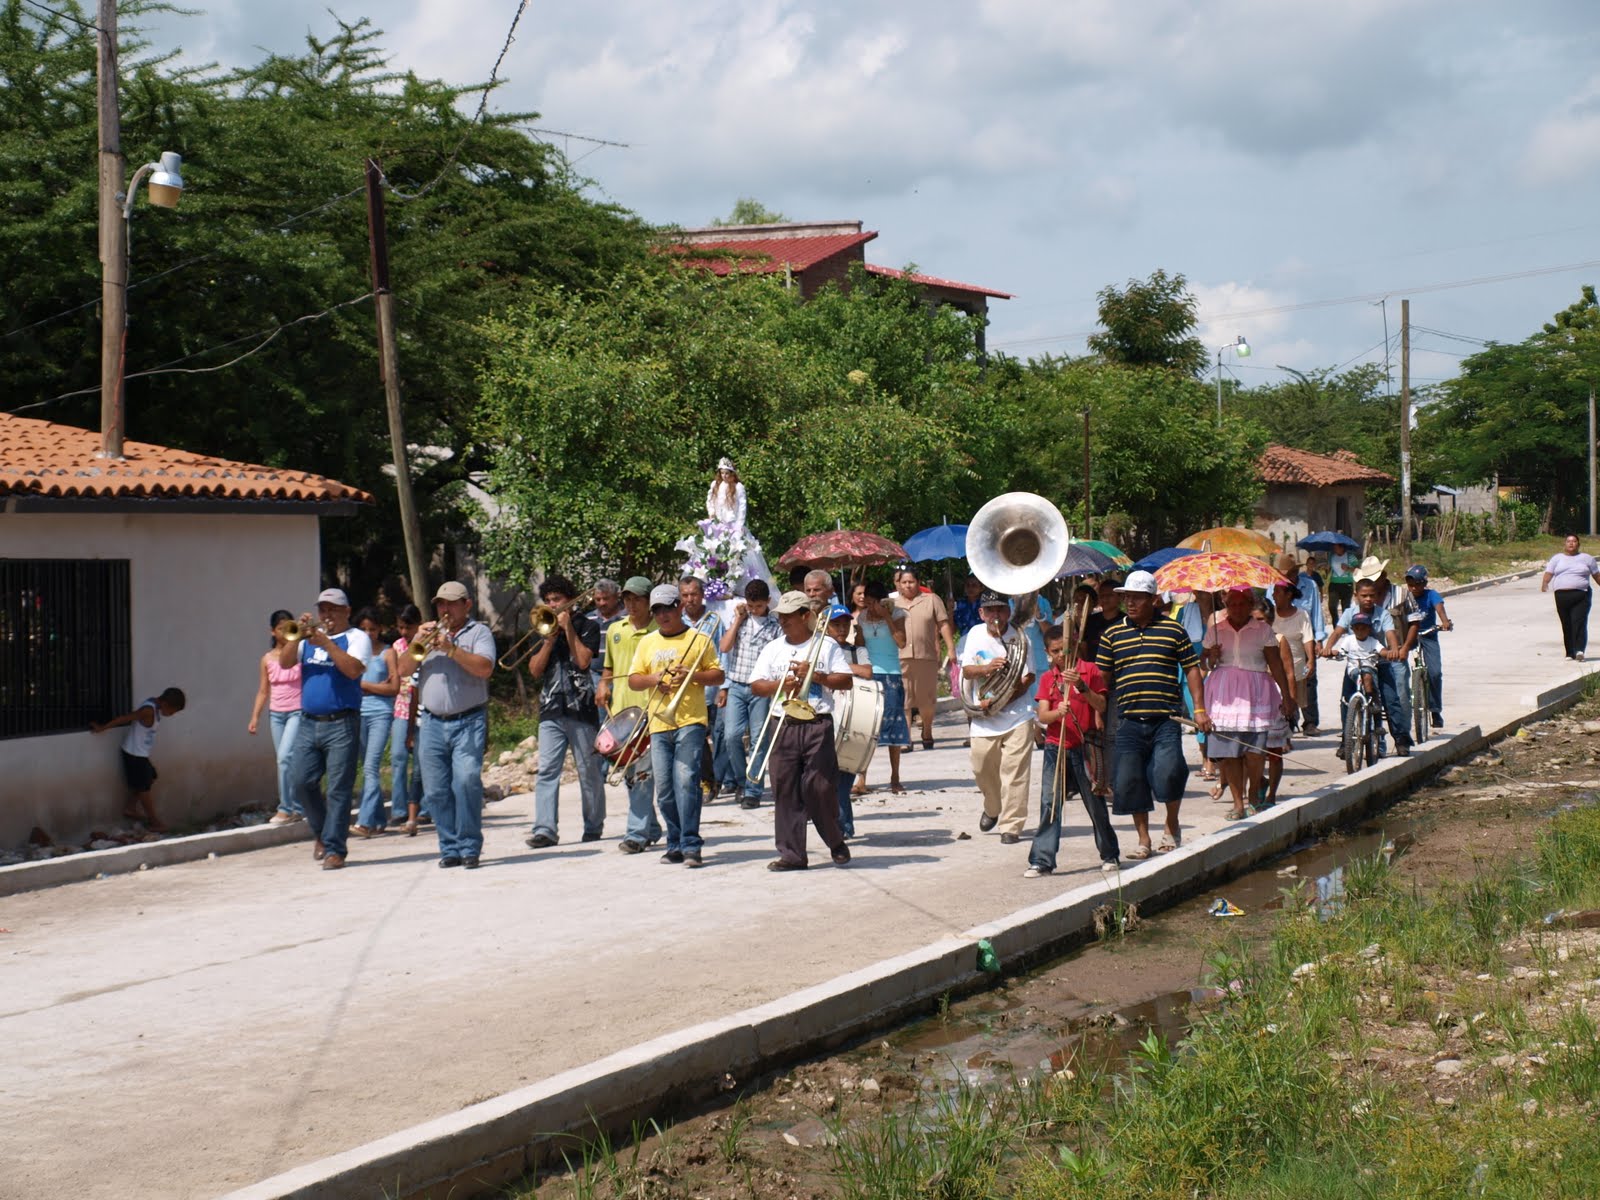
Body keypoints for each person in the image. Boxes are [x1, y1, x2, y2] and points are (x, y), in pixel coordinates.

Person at [1097, 570, 1210, 858]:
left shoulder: (1173, 630)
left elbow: (1192, 668)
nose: (1130, 603)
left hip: (1166, 719)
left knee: (1170, 772)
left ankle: (1171, 824)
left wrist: (1199, 709)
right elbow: (1102, 679)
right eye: (1127, 598)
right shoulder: (1112, 634)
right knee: (1130, 780)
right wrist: (1089, 701)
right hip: (1129, 720)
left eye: (1137, 598)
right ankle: (1144, 840)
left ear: (1154, 599)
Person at [748, 591, 853, 870]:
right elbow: (756, 685)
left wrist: (815, 675)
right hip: (783, 722)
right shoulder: (773, 648)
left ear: (805, 616)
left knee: (819, 787)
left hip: (817, 721)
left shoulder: (827, 645)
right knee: (784, 789)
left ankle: (835, 839)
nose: (782, 621)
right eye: (780, 616)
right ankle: (792, 855)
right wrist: (781, 686)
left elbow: (845, 681)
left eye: (788, 616)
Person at [628, 584, 724, 867]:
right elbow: (634, 680)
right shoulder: (647, 642)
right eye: (657, 610)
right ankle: (675, 842)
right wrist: (654, 678)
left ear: (680, 608)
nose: (662, 615)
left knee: (686, 781)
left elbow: (718, 675)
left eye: (668, 608)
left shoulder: (699, 638)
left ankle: (691, 844)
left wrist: (692, 676)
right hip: (659, 722)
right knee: (666, 789)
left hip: (691, 720)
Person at [279, 588, 372, 871]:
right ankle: (321, 833)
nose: (327, 615)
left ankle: (335, 849)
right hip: (309, 721)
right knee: (301, 782)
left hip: (342, 722)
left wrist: (327, 645)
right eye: (323, 609)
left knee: (338, 790)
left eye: (333, 609)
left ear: (346, 611)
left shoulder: (357, 638)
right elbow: (284, 663)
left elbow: (354, 670)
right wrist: (297, 636)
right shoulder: (307, 639)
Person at [414, 581, 496, 869]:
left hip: (469, 719)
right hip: (432, 722)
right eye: (440, 604)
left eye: (450, 603)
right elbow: (399, 670)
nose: (444, 609)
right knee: (435, 790)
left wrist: (451, 649)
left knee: (466, 781)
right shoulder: (427, 635)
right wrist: (416, 641)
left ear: (467, 605)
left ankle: (469, 846)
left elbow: (485, 668)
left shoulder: (479, 632)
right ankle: (449, 847)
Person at [1026, 625, 1117, 878]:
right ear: (1047, 652)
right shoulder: (1048, 678)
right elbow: (1043, 714)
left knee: (1095, 802)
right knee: (1049, 803)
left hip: (1083, 745)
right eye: (1054, 652)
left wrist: (1082, 687)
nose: (1060, 657)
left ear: (1073, 647)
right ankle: (1042, 860)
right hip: (1056, 746)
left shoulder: (1090, 670)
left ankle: (1110, 854)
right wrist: (1058, 713)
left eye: (1064, 650)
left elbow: (1101, 704)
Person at [525, 574, 605, 849]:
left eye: (557, 599)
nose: (552, 605)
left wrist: (568, 628)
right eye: (548, 600)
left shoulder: (588, 626)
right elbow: (535, 670)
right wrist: (548, 640)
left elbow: (583, 661)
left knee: (589, 771)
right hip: (550, 710)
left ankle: (594, 826)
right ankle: (545, 829)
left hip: (581, 708)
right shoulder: (541, 629)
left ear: (569, 600)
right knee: (547, 770)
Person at [1203, 587, 1295, 822]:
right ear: (1225, 605)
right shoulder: (1215, 630)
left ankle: (1254, 795)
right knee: (1229, 751)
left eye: (1242, 603)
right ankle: (1237, 803)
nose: (1237, 608)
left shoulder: (1262, 629)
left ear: (1250, 604)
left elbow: (1275, 664)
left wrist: (1286, 696)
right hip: (1224, 694)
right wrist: (1211, 656)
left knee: (1255, 751)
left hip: (1255, 692)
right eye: (1232, 604)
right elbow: (1205, 663)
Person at [961, 592, 1037, 845]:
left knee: (1015, 772)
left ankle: (1011, 826)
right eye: (990, 610)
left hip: (1017, 714)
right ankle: (992, 807)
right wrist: (987, 668)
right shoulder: (974, 634)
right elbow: (968, 671)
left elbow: (1028, 677)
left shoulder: (1021, 637)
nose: (995, 615)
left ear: (1008, 611)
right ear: (981, 614)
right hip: (984, 715)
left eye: (1000, 609)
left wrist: (1004, 698)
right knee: (982, 768)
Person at [599, 577, 662, 852]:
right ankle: (651, 827)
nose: (631, 604)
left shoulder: (660, 630)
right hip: (621, 712)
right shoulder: (615, 629)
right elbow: (609, 668)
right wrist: (603, 684)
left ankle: (636, 834)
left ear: (649, 601)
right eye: (627, 599)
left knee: (643, 774)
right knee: (629, 772)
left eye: (637, 599)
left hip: (650, 710)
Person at [1321, 576, 1411, 757]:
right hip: (1356, 662)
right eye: (1364, 595)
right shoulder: (1349, 613)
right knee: (1346, 699)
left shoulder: (1382, 613)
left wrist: (1394, 650)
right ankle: (1346, 741)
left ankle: (1401, 739)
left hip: (1379, 659)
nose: (1368, 599)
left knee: (1391, 700)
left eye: (1372, 595)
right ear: (1356, 596)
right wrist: (1328, 648)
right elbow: (1338, 631)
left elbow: (1390, 633)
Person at [719, 578, 779, 809]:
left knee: (758, 739)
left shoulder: (775, 626)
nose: (754, 610)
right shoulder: (741, 622)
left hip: (760, 688)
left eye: (759, 606)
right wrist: (737, 619)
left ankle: (753, 788)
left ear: (767, 603)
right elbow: (724, 647)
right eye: (751, 605)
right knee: (731, 736)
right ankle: (740, 779)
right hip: (736, 684)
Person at [91, 687, 186, 831]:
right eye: (172, 711)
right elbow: (122, 719)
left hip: (141, 754)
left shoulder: (155, 705)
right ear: (166, 704)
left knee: (151, 777)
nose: (171, 715)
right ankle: (155, 822)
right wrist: (101, 728)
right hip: (134, 755)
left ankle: (130, 808)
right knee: (144, 789)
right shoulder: (148, 711)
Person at [680, 575, 736, 801]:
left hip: (713, 689)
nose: (690, 599)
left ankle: (721, 777)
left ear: (702, 595)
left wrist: (724, 687)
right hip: (688, 692)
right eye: (685, 595)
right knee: (698, 737)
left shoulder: (714, 621)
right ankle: (707, 779)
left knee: (721, 735)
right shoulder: (677, 621)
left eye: (694, 594)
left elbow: (724, 654)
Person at [854, 581, 909, 794]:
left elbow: (902, 642)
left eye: (871, 603)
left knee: (894, 725)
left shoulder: (898, 615)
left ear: (880, 601)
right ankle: (862, 778)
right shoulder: (862, 617)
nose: (868, 607)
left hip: (891, 673)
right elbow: (860, 643)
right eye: (866, 603)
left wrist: (886, 617)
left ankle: (895, 776)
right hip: (869, 672)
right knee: (866, 726)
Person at [248, 610, 302, 825]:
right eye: (280, 628)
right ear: (272, 631)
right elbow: (263, 690)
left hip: (298, 711)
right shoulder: (267, 659)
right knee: (285, 761)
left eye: (288, 627)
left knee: (285, 758)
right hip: (276, 714)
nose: (284, 632)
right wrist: (255, 717)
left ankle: (286, 808)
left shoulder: (299, 654)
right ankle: (296, 806)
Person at [894, 566, 957, 750]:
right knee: (904, 699)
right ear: (899, 584)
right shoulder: (893, 604)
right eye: (904, 582)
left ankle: (927, 730)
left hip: (926, 656)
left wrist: (950, 648)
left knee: (926, 700)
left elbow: (943, 624)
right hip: (900, 657)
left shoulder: (932, 600)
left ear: (918, 583)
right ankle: (906, 738)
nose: (907, 586)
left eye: (911, 582)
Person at [351, 607, 401, 838]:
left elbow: (393, 688)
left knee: (371, 766)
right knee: (365, 766)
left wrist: (364, 687)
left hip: (381, 714)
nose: (368, 633)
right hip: (357, 713)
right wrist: (374, 687)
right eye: (363, 629)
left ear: (380, 629)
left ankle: (364, 821)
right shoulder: (353, 653)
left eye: (372, 629)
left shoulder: (388, 653)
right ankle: (379, 819)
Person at [827, 604, 872, 834]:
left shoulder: (858, 651)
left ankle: (843, 826)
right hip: (828, 720)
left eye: (845, 624)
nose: (842, 628)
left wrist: (840, 670)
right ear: (825, 627)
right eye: (836, 624)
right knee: (830, 777)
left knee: (844, 776)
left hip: (853, 721)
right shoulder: (820, 650)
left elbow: (867, 672)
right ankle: (841, 825)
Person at [1253, 598, 1296, 807]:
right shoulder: (1246, 638)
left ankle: (1272, 795)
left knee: (1275, 752)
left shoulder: (1279, 640)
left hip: (1275, 698)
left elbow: (1288, 672)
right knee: (1252, 750)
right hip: (1252, 697)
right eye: (1254, 619)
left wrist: (1290, 700)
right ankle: (1259, 782)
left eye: (1261, 619)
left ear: (1270, 620)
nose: (1257, 623)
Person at [388, 604, 425, 835]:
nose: (403, 631)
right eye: (400, 627)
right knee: (398, 758)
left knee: (423, 763)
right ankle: (399, 809)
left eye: (408, 627)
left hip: (420, 706)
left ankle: (425, 807)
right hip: (401, 707)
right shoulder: (397, 646)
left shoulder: (427, 642)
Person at [1404, 565, 1452, 727]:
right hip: (1409, 635)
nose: (1414, 588)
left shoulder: (1432, 595)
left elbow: (1439, 609)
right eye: (1411, 584)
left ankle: (1435, 710)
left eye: (1418, 584)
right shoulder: (1405, 597)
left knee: (1435, 672)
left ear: (1424, 583)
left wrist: (1445, 622)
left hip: (1428, 635)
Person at [1271, 578, 1318, 736]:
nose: (1273, 594)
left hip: (1297, 666)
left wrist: (1311, 660)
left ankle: (1297, 723)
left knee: (1296, 697)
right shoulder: (1269, 614)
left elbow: (1307, 638)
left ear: (1289, 595)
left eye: (1277, 592)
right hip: (1274, 667)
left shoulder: (1302, 615)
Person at [1541, 534, 1599, 661]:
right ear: (1565, 544)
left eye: (1574, 541)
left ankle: (1579, 650)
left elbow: (1596, 575)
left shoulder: (1587, 558)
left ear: (1578, 544)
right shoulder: (1557, 558)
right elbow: (1549, 573)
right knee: (1566, 623)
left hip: (1581, 595)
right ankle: (1569, 652)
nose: (1571, 543)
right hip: (1561, 596)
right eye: (1568, 541)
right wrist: (1545, 583)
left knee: (1578, 621)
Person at [1333, 612, 1385, 748]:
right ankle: (1346, 740)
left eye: (1363, 628)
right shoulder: (1349, 640)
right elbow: (1341, 652)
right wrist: (1335, 653)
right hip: (1354, 670)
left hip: (1369, 668)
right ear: (1352, 629)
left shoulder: (1373, 641)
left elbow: (1381, 650)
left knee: (1367, 676)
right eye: (1357, 628)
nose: (1360, 631)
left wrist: (1387, 653)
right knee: (1347, 698)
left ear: (1369, 629)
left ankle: (1373, 707)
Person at [584, 579, 624, 708]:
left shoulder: (628, 617)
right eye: (598, 599)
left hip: (620, 675)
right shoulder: (588, 619)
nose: (602, 603)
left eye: (606, 599)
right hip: (594, 675)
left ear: (616, 597)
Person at [1081, 578, 1123, 662]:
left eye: (1109, 595)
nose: (1105, 599)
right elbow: (1084, 646)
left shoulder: (1126, 621)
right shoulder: (1090, 620)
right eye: (1102, 596)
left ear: (1120, 597)